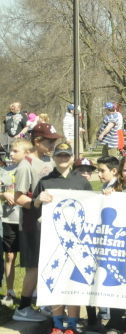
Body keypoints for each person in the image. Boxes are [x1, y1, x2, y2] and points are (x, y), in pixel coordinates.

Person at [33, 140, 93, 334]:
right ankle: (57, 325)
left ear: (71, 158)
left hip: (76, 242)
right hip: (52, 241)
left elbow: (92, 209)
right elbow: (34, 206)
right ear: (54, 157)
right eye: (60, 155)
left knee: (72, 284)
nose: (63, 159)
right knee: (55, 283)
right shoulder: (45, 181)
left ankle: (72, 328)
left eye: (66, 155)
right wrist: (39, 199)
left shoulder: (81, 182)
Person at [10, 122, 61, 322]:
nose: (52, 145)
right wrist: (36, 202)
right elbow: (18, 197)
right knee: (34, 266)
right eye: (49, 141)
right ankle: (23, 308)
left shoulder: (50, 161)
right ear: (37, 141)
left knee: (47, 263)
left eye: (54, 141)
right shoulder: (26, 165)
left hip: (50, 222)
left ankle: (45, 302)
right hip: (32, 223)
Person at [0, 138, 30, 307]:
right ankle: (9, 291)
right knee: (10, 255)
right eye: (10, 151)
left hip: (27, 219)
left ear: (27, 153)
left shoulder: (30, 170)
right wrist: (4, 195)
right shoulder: (4, 171)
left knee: (28, 258)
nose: (10, 154)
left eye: (15, 151)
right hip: (8, 218)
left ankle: (30, 291)